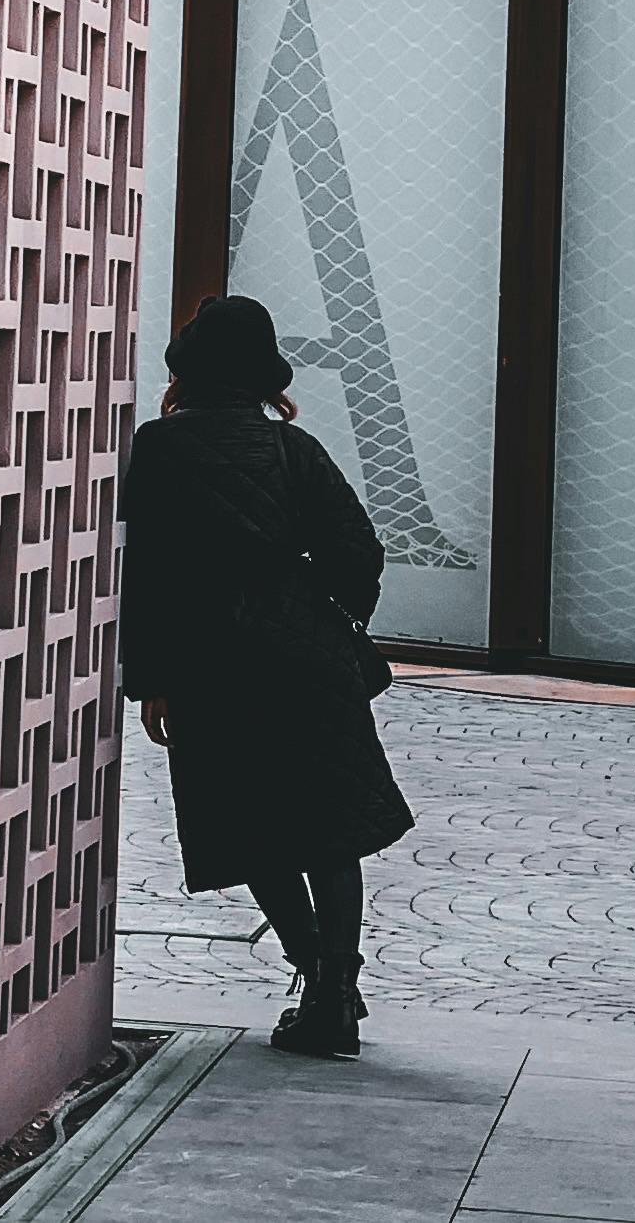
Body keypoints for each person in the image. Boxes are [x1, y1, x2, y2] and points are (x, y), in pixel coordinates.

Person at [120, 292, 415, 1058]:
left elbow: (147, 573)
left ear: (185, 369)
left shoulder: (157, 447)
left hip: (211, 666)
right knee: (329, 831)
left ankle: (315, 974)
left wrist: (152, 678)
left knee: (252, 829)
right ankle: (334, 990)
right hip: (308, 664)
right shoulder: (296, 450)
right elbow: (360, 552)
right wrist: (326, 613)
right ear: (264, 373)